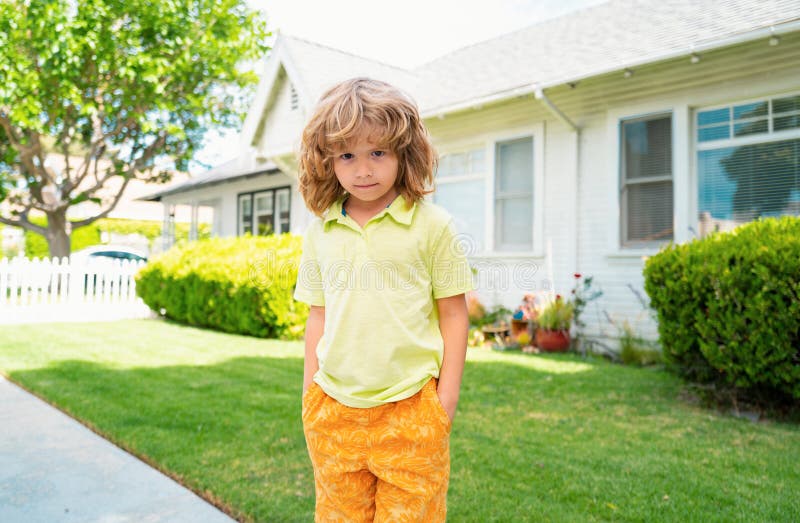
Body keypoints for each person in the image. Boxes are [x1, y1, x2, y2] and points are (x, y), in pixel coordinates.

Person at [294, 77, 473, 522]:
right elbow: (317, 316)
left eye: (378, 152)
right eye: (347, 155)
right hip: (333, 410)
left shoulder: (433, 226)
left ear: (403, 152)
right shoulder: (320, 233)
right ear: (327, 161)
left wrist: (444, 401)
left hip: (412, 408)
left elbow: (454, 313)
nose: (363, 170)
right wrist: (309, 397)